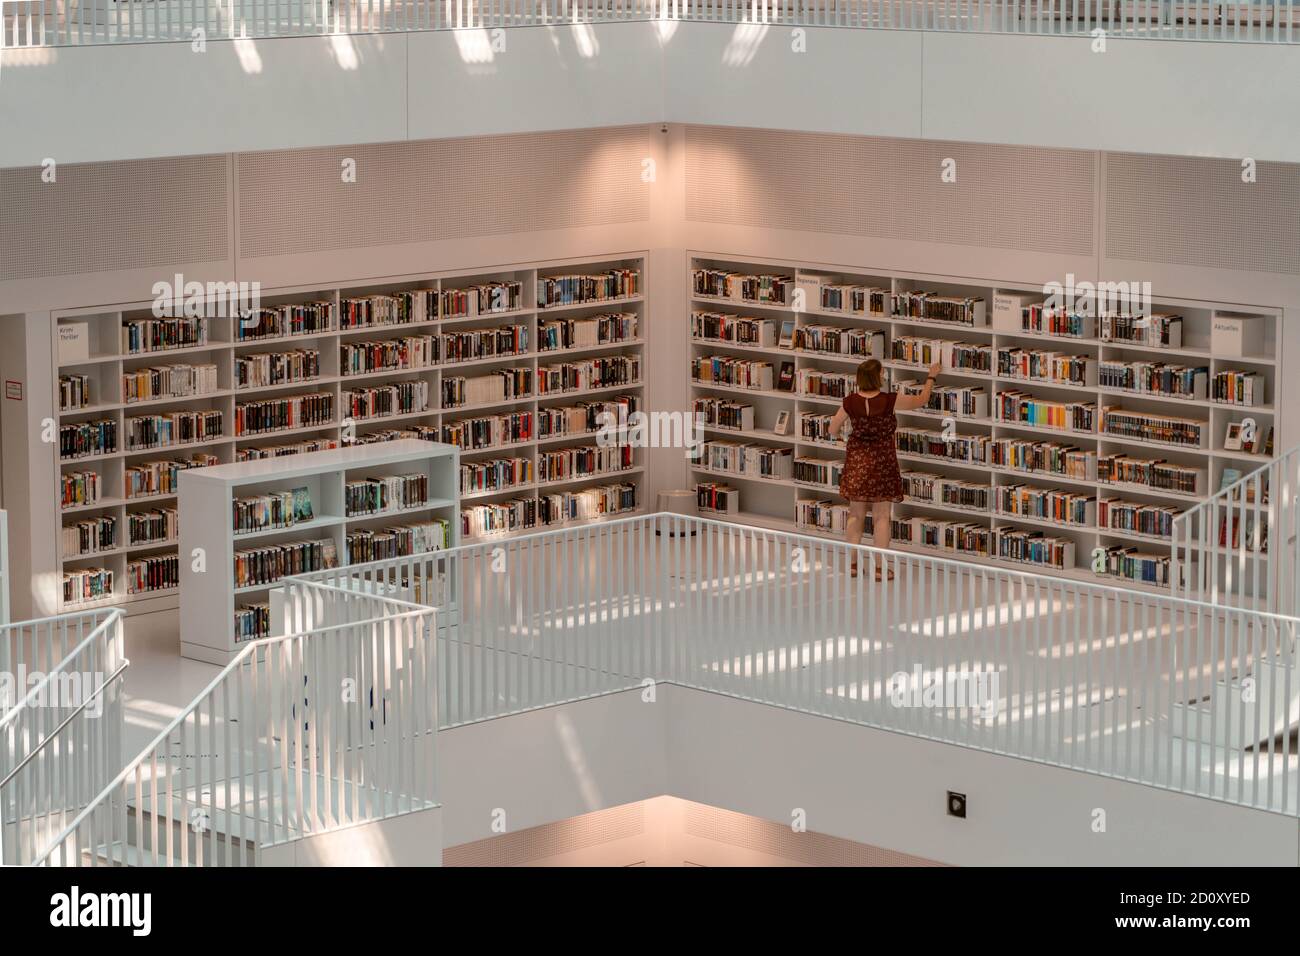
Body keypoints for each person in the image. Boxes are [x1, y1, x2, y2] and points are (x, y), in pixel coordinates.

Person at [828, 357, 941, 579]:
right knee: (881, 516)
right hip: (883, 462)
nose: (884, 376)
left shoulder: (849, 402)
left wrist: (845, 439)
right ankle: (880, 568)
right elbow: (922, 399)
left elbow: (833, 429)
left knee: (855, 514)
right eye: (882, 373)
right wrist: (931, 376)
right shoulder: (889, 400)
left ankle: (853, 564)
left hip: (857, 461)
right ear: (876, 376)